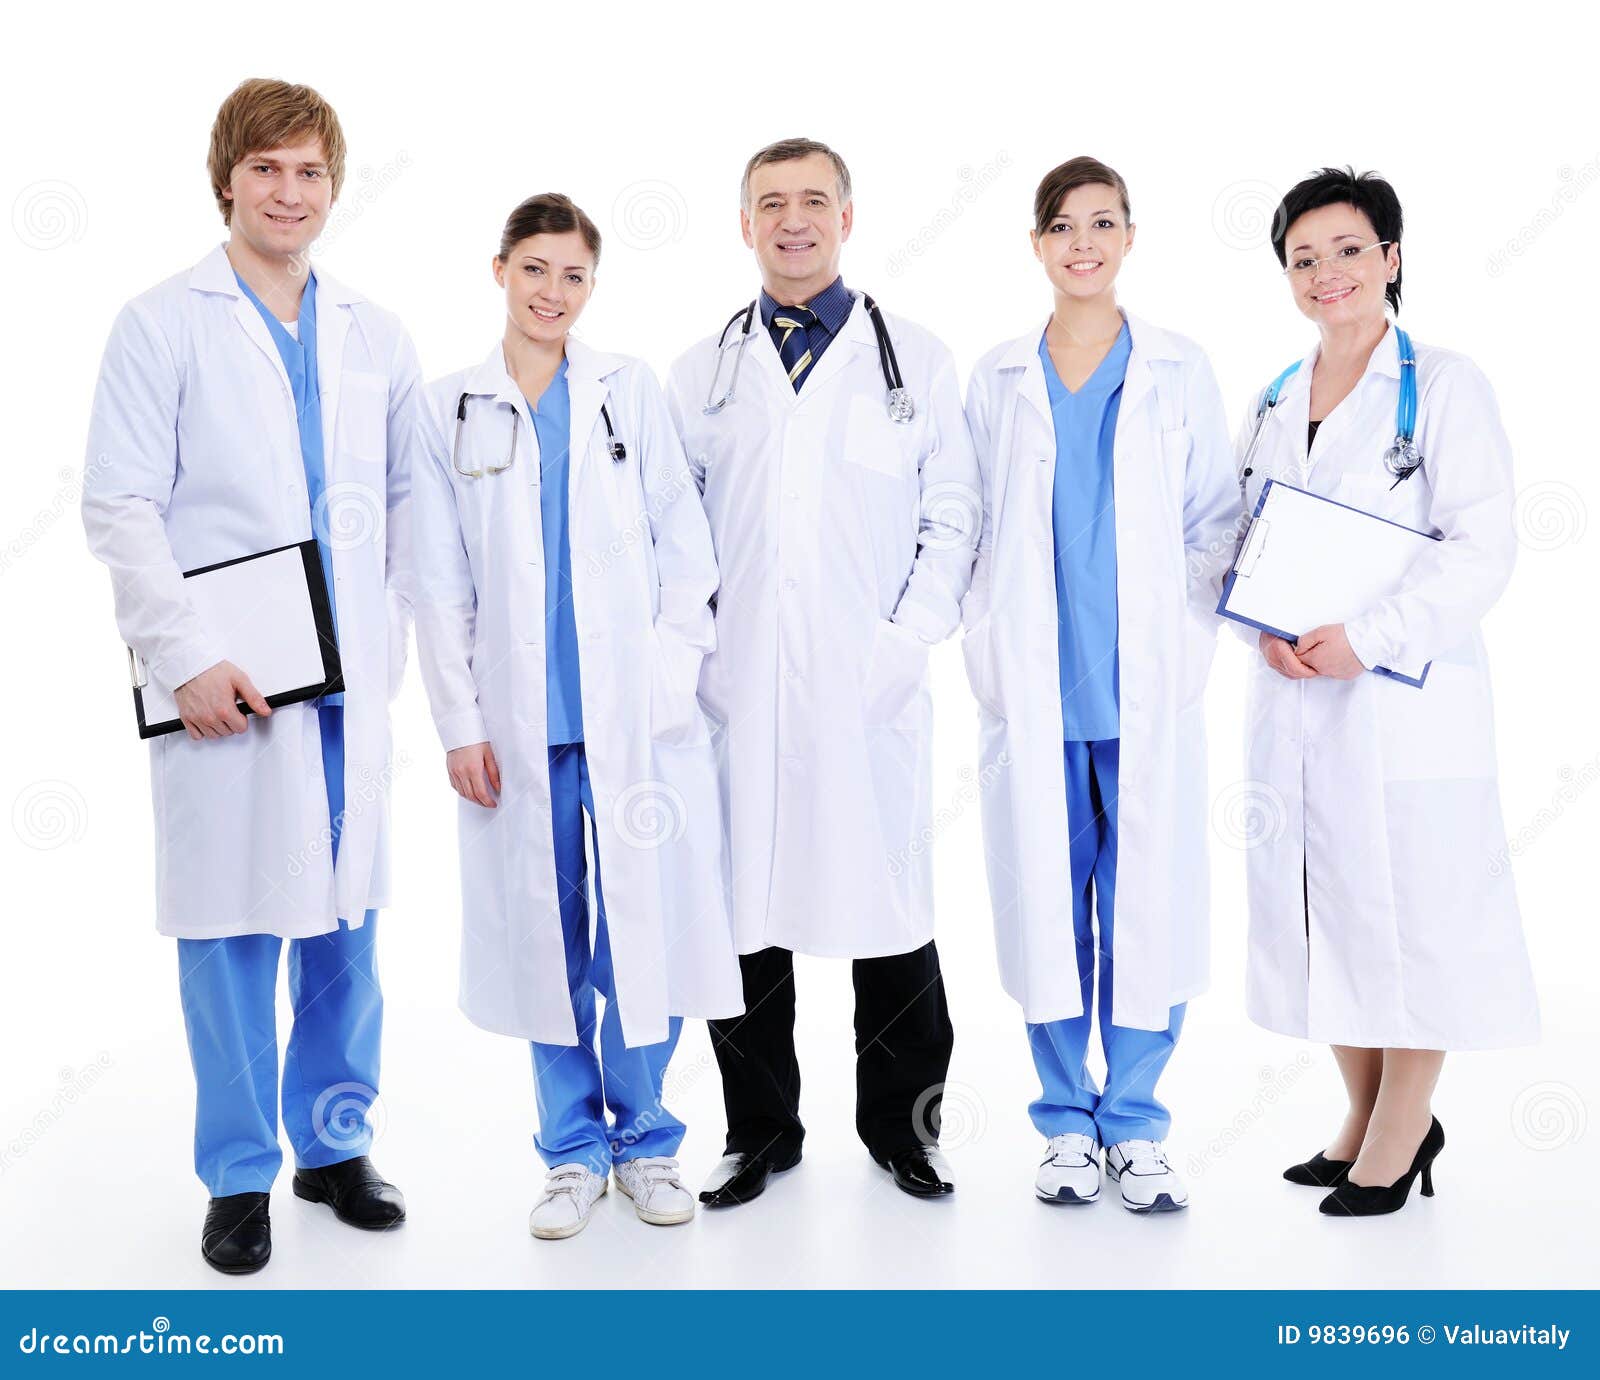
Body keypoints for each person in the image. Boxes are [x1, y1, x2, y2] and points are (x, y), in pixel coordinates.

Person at [82, 78, 418, 1273]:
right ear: (228, 177)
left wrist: (394, 646)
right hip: (223, 680)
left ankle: (334, 1146)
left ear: (334, 185)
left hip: (346, 685)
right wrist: (183, 658)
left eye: (311, 171)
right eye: (268, 168)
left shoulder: (374, 330)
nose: (290, 191)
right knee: (229, 935)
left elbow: (412, 500)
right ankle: (237, 1178)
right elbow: (119, 503)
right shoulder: (162, 320)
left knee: (346, 927)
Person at [412, 193, 744, 1241]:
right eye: (535, 270)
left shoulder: (627, 392)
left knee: (644, 929)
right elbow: (436, 579)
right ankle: (568, 1153)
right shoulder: (447, 407)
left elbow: (685, 549)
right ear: (499, 270)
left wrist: (664, 677)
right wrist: (460, 723)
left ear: (591, 286)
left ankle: (648, 1144)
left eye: (573, 276)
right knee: (542, 941)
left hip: (634, 722)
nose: (552, 292)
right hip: (519, 726)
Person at [665, 138, 980, 1206]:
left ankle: (906, 1132)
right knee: (740, 913)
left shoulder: (918, 360)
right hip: (738, 684)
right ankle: (759, 1132)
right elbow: (670, 534)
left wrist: (905, 643)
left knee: (889, 910)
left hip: (868, 683)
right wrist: (694, 656)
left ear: (848, 218)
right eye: (769, 204)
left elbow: (953, 516)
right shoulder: (697, 375)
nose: (791, 220)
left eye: (812, 201)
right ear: (742, 225)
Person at [1235, 167, 1539, 1216]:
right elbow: (1244, 536)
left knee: (1417, 915)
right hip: (1293, 696)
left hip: (1401, 702)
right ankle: (1362, 1116)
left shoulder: (1446, 385)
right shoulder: (1276, 395)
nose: (1327, 273)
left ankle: (1403, 1131)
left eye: (1349, 249)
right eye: (1303, 257)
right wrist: (1257, 618)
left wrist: (1366, 640)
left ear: (1391, 260)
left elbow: (1482, 550)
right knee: (1327, 913)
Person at [963, 157, 1236, 1213]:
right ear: (1037, 245)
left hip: (1144, 693)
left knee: (1146, 910)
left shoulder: (1177, 368)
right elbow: (971, 522)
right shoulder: (994, 378)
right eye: (1063, 226)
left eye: (1103, 224)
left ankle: (1134, 1122)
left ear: (1130, 238)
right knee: (1042, 906)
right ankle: (1062, 1126)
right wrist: (985, 637)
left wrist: (1182, 632)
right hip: (1032, 695)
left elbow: (1215, 517)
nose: (1083, 242)